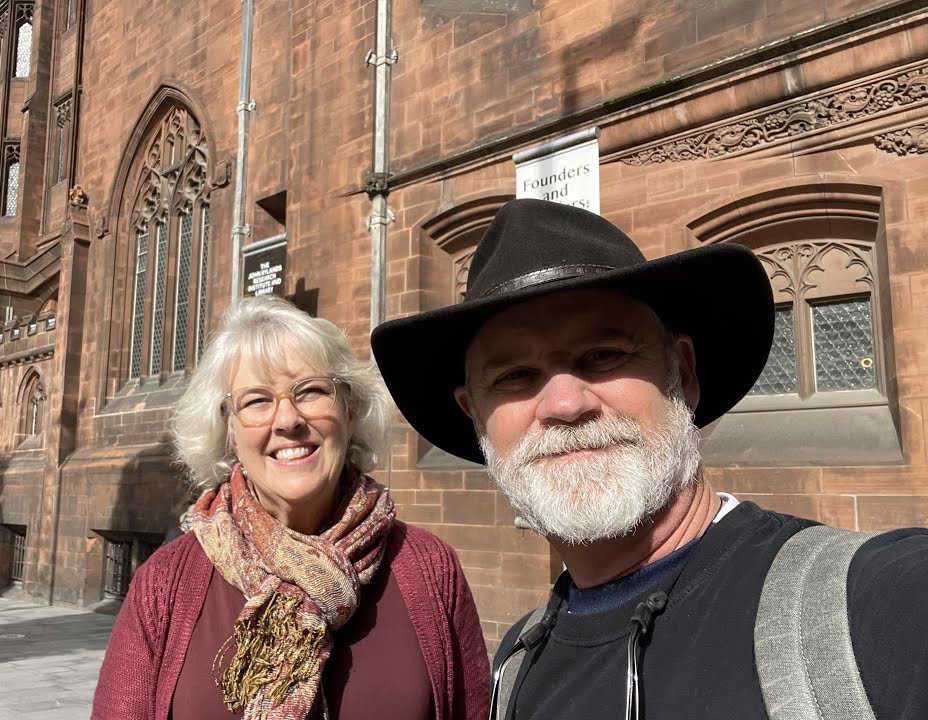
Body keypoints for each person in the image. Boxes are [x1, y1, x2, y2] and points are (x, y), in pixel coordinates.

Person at [370, 199, 928, 720]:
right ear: (476, 416)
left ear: (682, 374)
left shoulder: (875, 604)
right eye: (516, 376)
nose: (566, 405)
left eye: (603, 355)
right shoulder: (518, 663)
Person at [92, 295, 491, 720]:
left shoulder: (429, 568)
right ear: (228, 429)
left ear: (350, 409)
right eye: (257, 401)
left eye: (311, 391)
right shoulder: (165, 581)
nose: (287, 420)